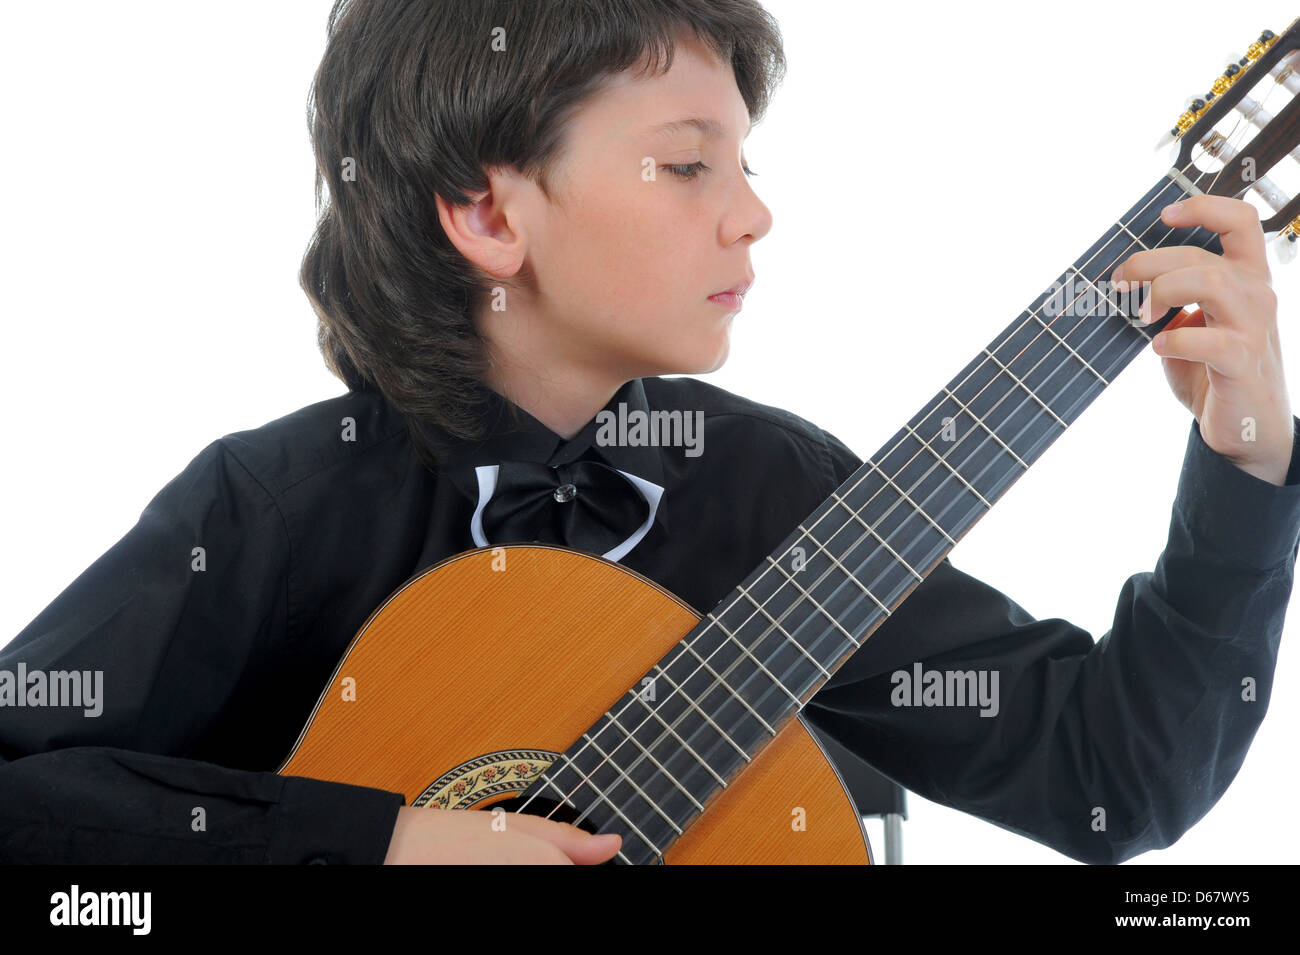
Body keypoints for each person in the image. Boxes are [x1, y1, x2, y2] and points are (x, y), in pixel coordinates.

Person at [2, 0, 1298, 865]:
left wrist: (1246, 462)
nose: (751, 217)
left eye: (746, 163)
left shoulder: (772, 500)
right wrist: (377, 842)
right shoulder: (274, 509)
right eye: (687, 166)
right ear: (489, 216)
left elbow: (1110, 773)